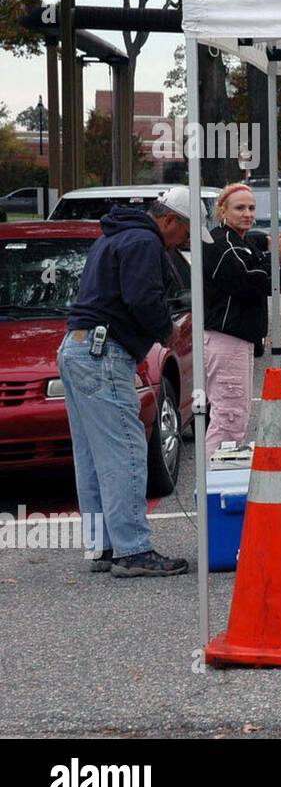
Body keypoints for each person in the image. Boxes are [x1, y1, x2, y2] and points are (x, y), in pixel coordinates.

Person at [57, 188, 207, 577]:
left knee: (92, 456)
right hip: (103, 352)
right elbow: (142, 298)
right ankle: (132, 549)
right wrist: (165, 332)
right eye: (186, 233)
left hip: (78, 346)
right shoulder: (144, 241)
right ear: (171, 220)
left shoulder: (115, 234)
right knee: (125, 449)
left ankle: (104, 544)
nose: (184, 243)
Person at [202, 182, 281, 458]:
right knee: (228, 416)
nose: (247, 213)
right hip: (227, 340)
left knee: (235, 414)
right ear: (222, 211)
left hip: (238, 341)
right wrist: (275, 258)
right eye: (239, 208)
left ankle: (223, 478)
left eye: (251, 208)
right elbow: (253, 283)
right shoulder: (223, 245)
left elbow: (274, 283)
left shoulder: (241, 243)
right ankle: (214, 484)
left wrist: (276, 259)